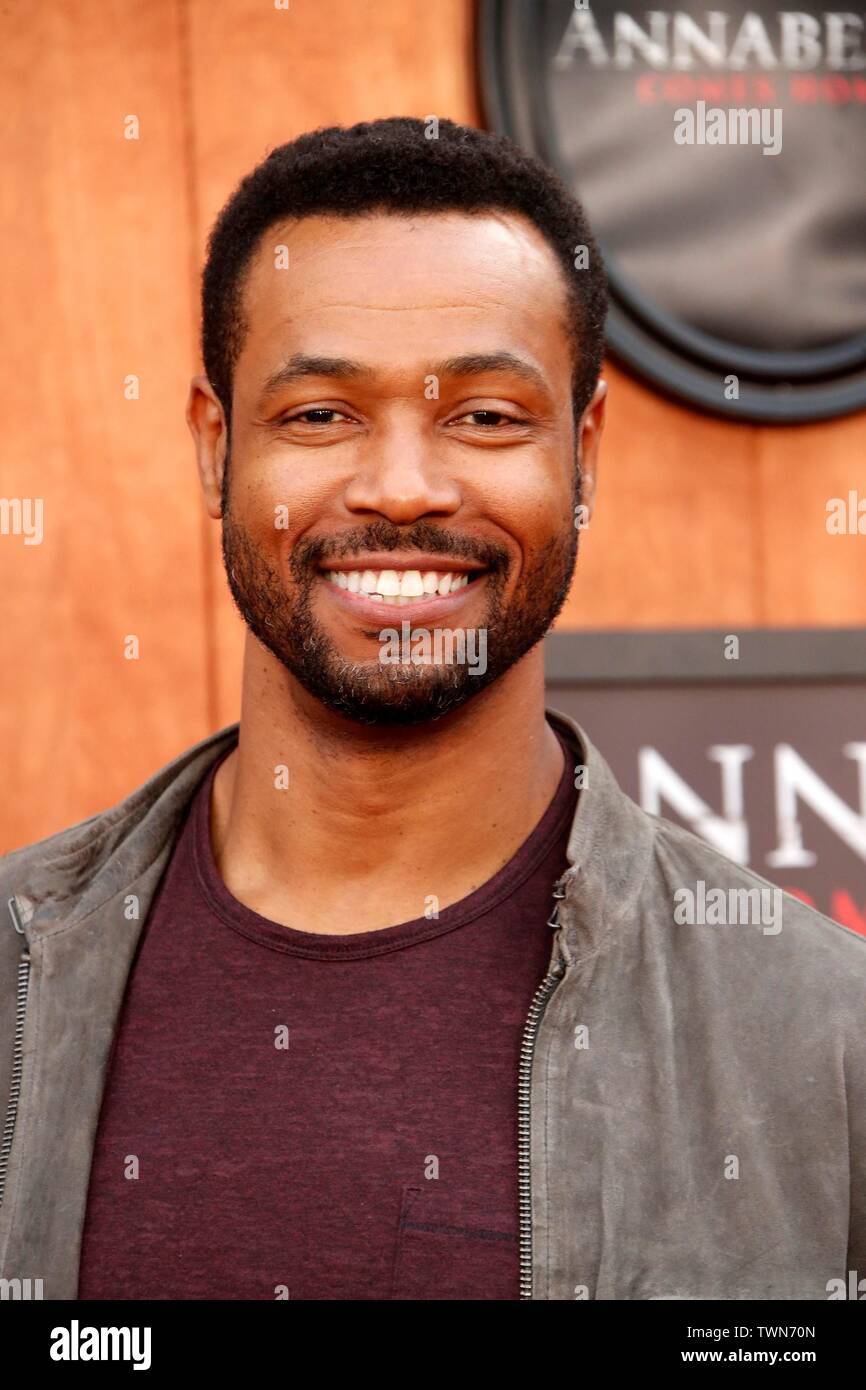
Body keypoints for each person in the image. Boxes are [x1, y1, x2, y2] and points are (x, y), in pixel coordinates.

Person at [0, 118, 863, 1302]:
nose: (402, 486)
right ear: (215, 451)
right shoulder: (18, 970)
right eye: (319, 416)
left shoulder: (819, 1037)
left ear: (584, 454)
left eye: (486, 416)